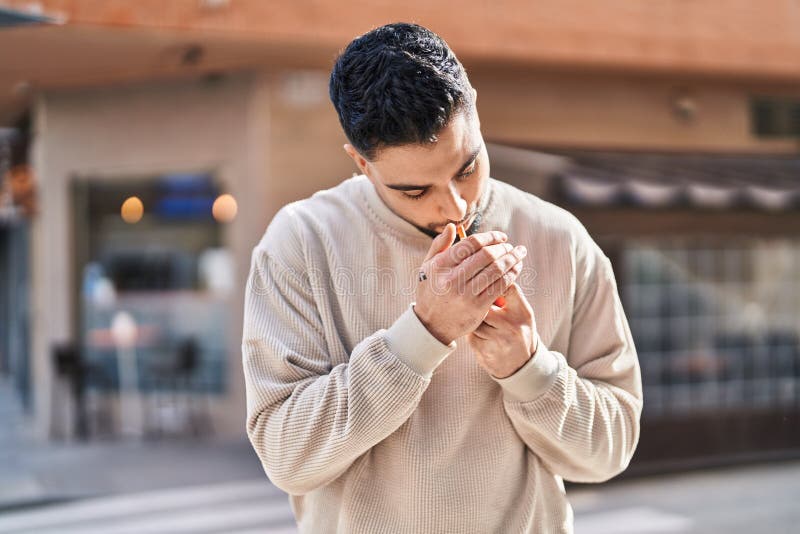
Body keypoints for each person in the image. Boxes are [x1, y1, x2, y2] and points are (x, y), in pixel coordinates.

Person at [243, 22, 642, 534]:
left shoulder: (560, 239)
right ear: (360, 163)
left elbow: (611, 451)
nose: (453, 204)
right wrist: (422, 334)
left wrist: (528, 368)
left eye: (467, 167)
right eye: (414, 191)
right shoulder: (300, 243)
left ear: (474, 107)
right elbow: (286, 458)